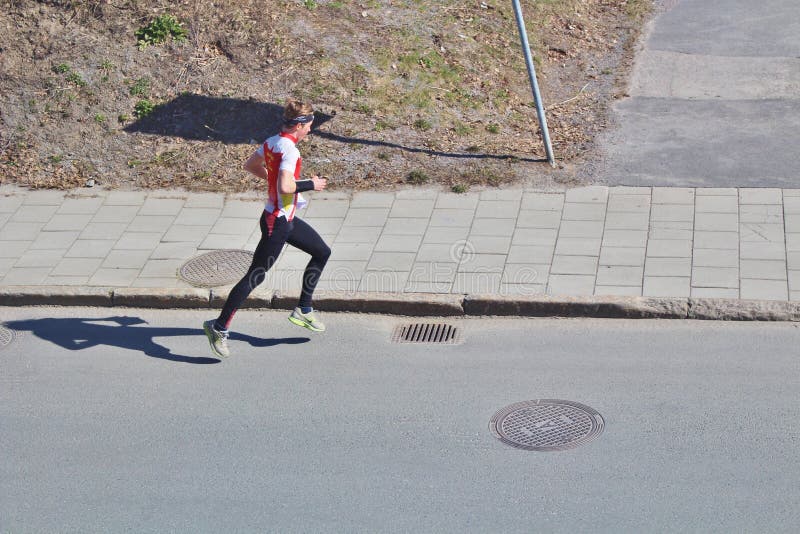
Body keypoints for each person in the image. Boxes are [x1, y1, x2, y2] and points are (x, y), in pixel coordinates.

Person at [203, 99, 330, 358]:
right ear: (300, 125)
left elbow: (250, 166)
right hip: (277, 223)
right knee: (255, 276)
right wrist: (310, 184)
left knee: (321, 251)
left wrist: (275, 179)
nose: (310, 131)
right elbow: (285, 187)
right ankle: (218, 328)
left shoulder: (272, 141)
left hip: (282, 218)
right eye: (309, 126)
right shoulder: (291, 150)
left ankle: (303, 309)